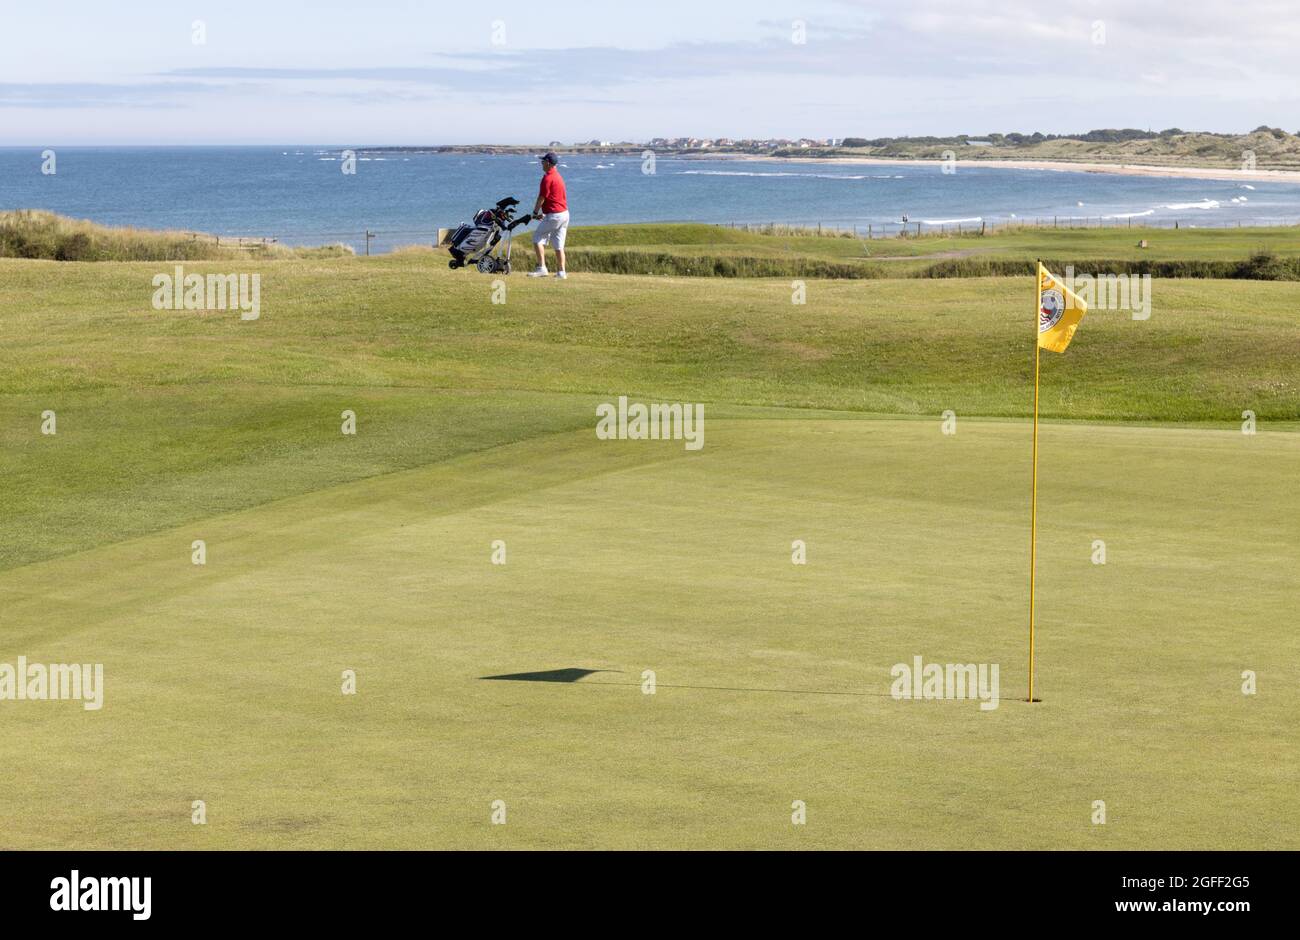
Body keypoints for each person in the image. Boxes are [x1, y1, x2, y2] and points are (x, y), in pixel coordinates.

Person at [528, 151, 568, 279]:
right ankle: (562, 272)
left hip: (555, 215)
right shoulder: (558, 176)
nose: (541, 163)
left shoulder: (547, 178)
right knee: (558, 244)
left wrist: (535, 212)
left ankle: (542, 268)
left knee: (537, 238)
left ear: (549, 163)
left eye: (543, 161)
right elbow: (554, 198)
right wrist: (544, 213)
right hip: (564, 214)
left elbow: (542, 197)